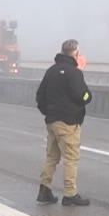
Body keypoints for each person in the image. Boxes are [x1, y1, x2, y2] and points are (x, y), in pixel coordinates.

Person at [36, 39, 91, 206]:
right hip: (69, 121)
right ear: (75, 53)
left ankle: (44, 189)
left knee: (52, 156)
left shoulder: (51, 71)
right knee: (71, 158)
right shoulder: (74, 73)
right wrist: (88, 96)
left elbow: (40, 96)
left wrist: (49, 112)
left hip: (52, 120)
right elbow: (82, 95)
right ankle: (70, 193)